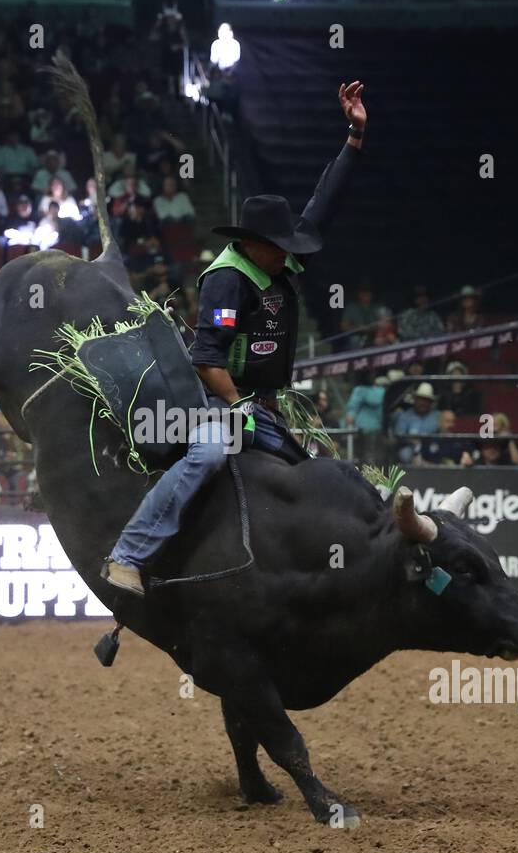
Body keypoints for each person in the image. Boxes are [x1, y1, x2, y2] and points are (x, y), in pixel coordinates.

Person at [102, 79, 368, 596]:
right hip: (214, 398)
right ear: (251, 244)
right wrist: (240, 405)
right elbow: (207, 359)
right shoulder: (228, 278)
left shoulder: (275, 260)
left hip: (261, 401)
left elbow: (323, 206)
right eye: (279, 245)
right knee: (208, 455)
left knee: (312, 474)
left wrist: (354, 138)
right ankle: (127, 555)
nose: (290, 253)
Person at [391, 381, 440, 464]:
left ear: (431, 402)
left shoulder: (437, 416)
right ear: (415, 399)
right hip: (411, 447)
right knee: (405, 454)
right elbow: (399, 435)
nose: (423, 403)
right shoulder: (405, 416)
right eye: (420, 399)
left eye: (426, 400)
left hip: (432, 447)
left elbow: (443, 433)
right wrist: (411, 440)